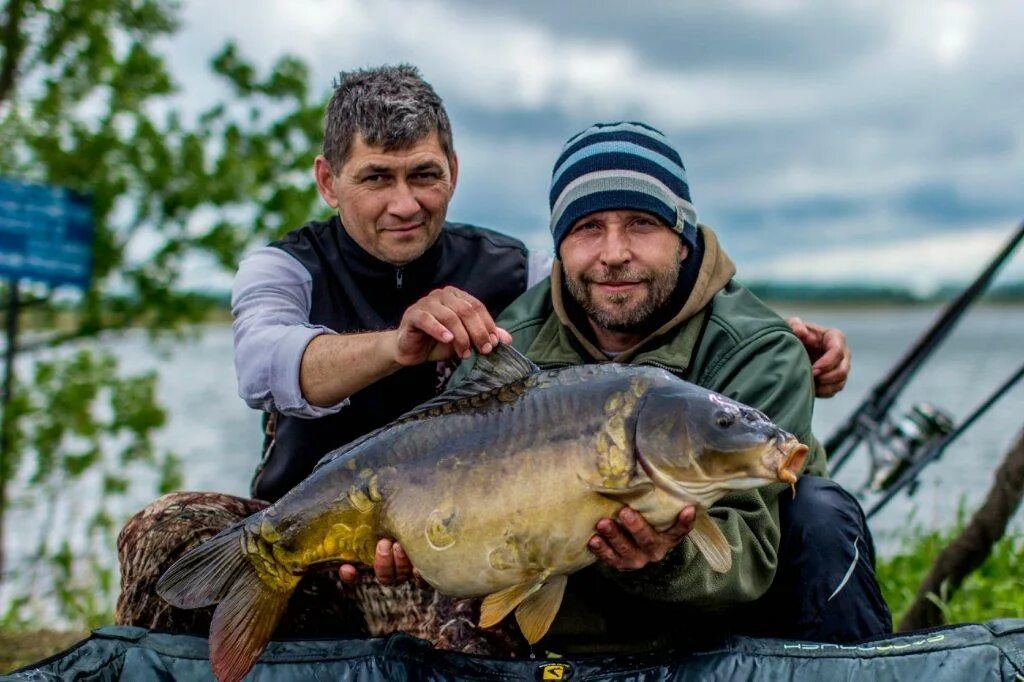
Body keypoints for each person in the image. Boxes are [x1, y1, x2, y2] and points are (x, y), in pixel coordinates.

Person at [114, 67, 855, 653]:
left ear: (454, 172)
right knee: (166, 531)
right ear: (328, 179)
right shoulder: (284, 269)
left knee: (469, 622)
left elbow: (640, 298)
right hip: (320, 517)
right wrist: (397, 346)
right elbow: (265, 362)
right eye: (377, 177)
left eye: (423, 175)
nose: (404, 202)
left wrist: (772, 337)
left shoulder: (517, 274)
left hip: (444, 548)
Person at [484, 121, 890, 650]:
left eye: (641, 224)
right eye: (588, 228)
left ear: (683, 239)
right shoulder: (510, 343)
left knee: (820, 509)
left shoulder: (759, 350)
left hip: (726, 636)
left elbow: (751, 550)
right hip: (560, 634)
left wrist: (667, 558)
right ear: (560, 246)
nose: (613, 252)